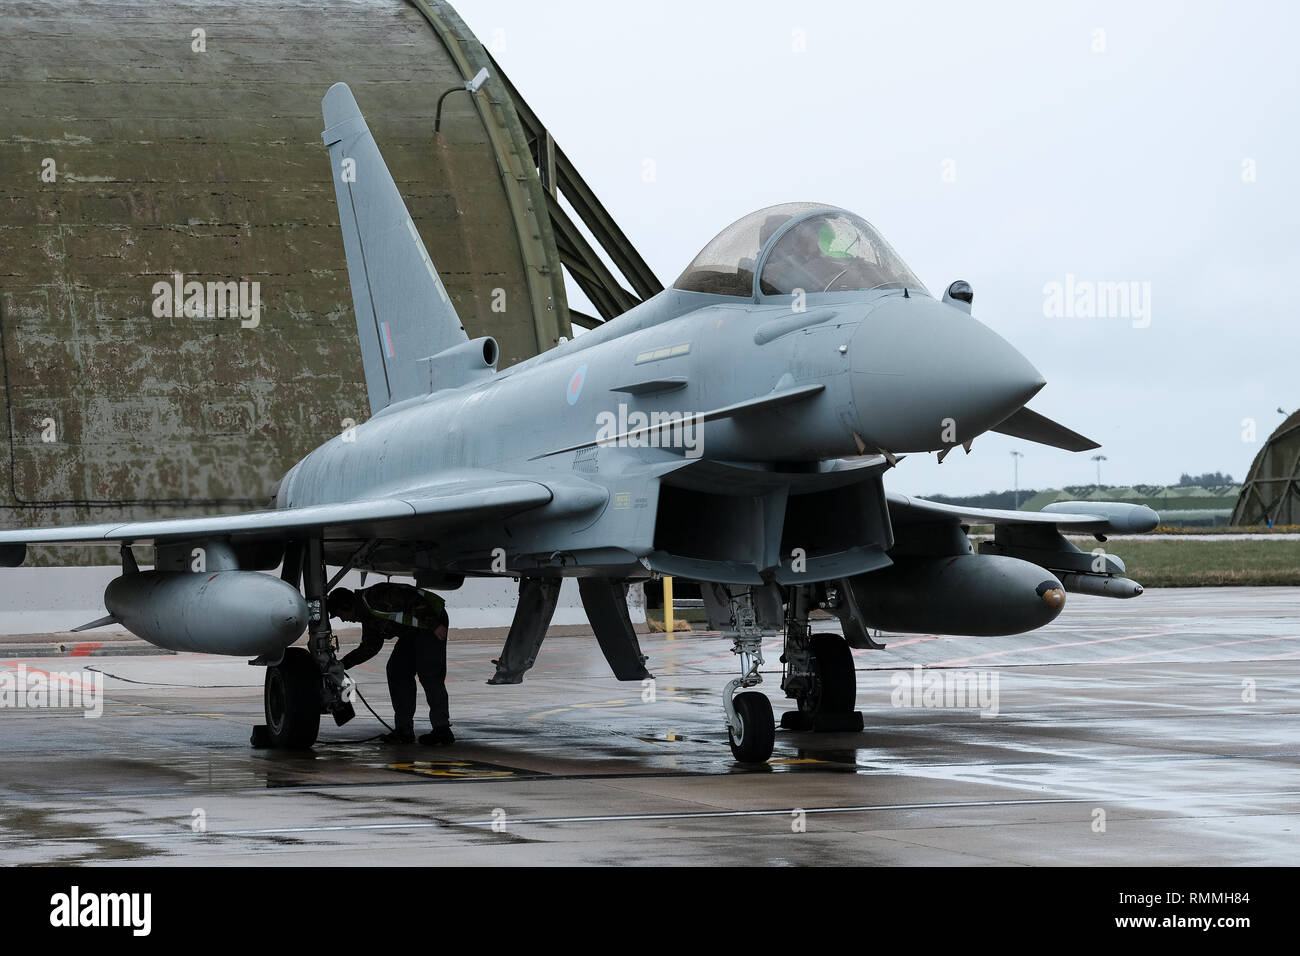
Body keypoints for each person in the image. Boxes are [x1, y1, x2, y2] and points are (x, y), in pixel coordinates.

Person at [328, 582, 453, 746]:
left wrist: (434, 624)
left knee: (429, 675)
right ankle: (404, 730)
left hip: (430, 622)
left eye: (340, 614)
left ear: (347, 605)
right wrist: (341, 665)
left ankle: (442, 729)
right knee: (397, 671)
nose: (344, 620)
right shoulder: (368, 615)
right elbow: (369, 647)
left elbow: (411, 599)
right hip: (413, 631)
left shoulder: (375, 597)